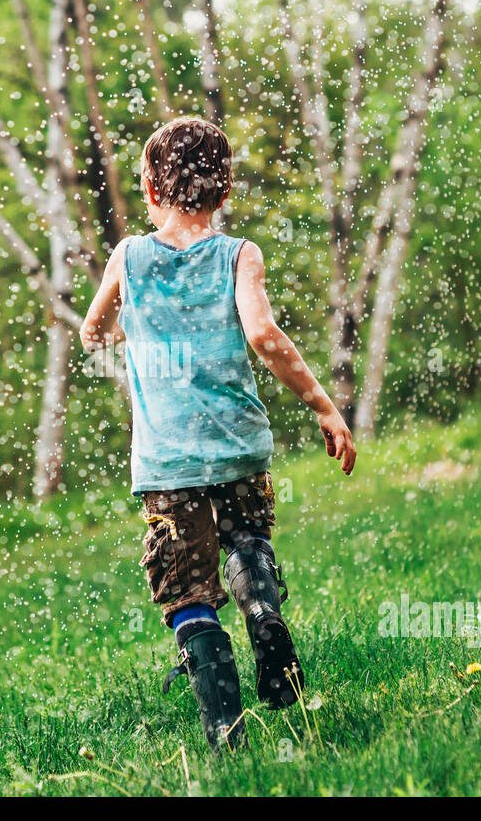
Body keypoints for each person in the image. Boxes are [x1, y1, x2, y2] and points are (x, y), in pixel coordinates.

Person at [80, 117, 356, 751]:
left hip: (167, 464)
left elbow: (94, 332)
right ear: (224, 188)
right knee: (246, 539)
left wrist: (131, 334)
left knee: (184, 584)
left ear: (149, 189)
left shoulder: (129, 257)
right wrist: (321, 404)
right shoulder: (240, 254)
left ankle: (223, 725)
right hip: (237, 447)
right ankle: (263, 611)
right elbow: (263, 336)